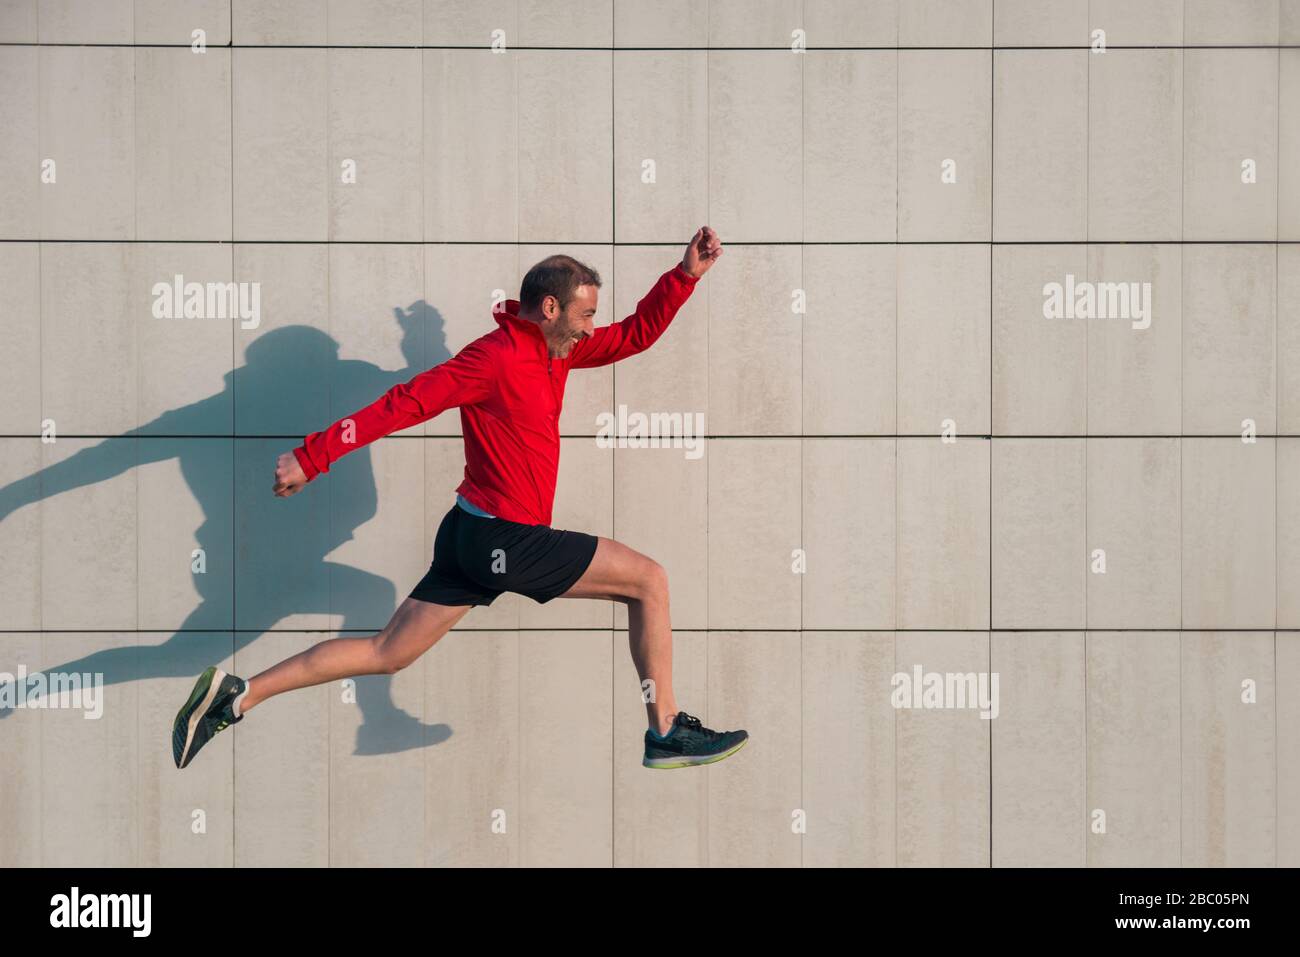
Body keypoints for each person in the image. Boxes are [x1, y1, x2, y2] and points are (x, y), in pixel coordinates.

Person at [173, 227, 748, 772]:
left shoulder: (559, 350)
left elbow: (634, 335)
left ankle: (238, 695)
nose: (589, 327)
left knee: (386, 652)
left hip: (471, 533)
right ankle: (666, 730)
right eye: (584, 314)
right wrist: (313, 455)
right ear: (550, 308)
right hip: (503, 537)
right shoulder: (491, 359)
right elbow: (405, 402)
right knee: (649, 581)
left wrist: (685, 274)